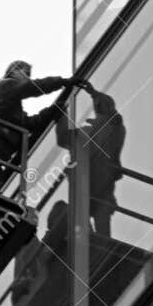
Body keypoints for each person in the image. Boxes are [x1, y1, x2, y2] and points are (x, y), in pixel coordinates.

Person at [0, 61, 70, 192]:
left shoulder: (12, 106)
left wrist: (51, 111)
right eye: (26, 73)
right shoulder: (5, 85)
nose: (28, 78)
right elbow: (31, 87)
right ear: (13, 71)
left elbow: (27, 124)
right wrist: (61, 82)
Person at [54, 80, 125, 238]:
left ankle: (100, 248)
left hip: (101, 188)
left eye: (99, 106)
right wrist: (61, 112)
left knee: (102, 231)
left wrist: (94, 94)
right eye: (97, 106)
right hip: (84, 187)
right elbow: (63, 137)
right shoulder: (85, 132)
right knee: (84, 230)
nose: (98, 107)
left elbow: (112, 117)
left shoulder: (114, 127)